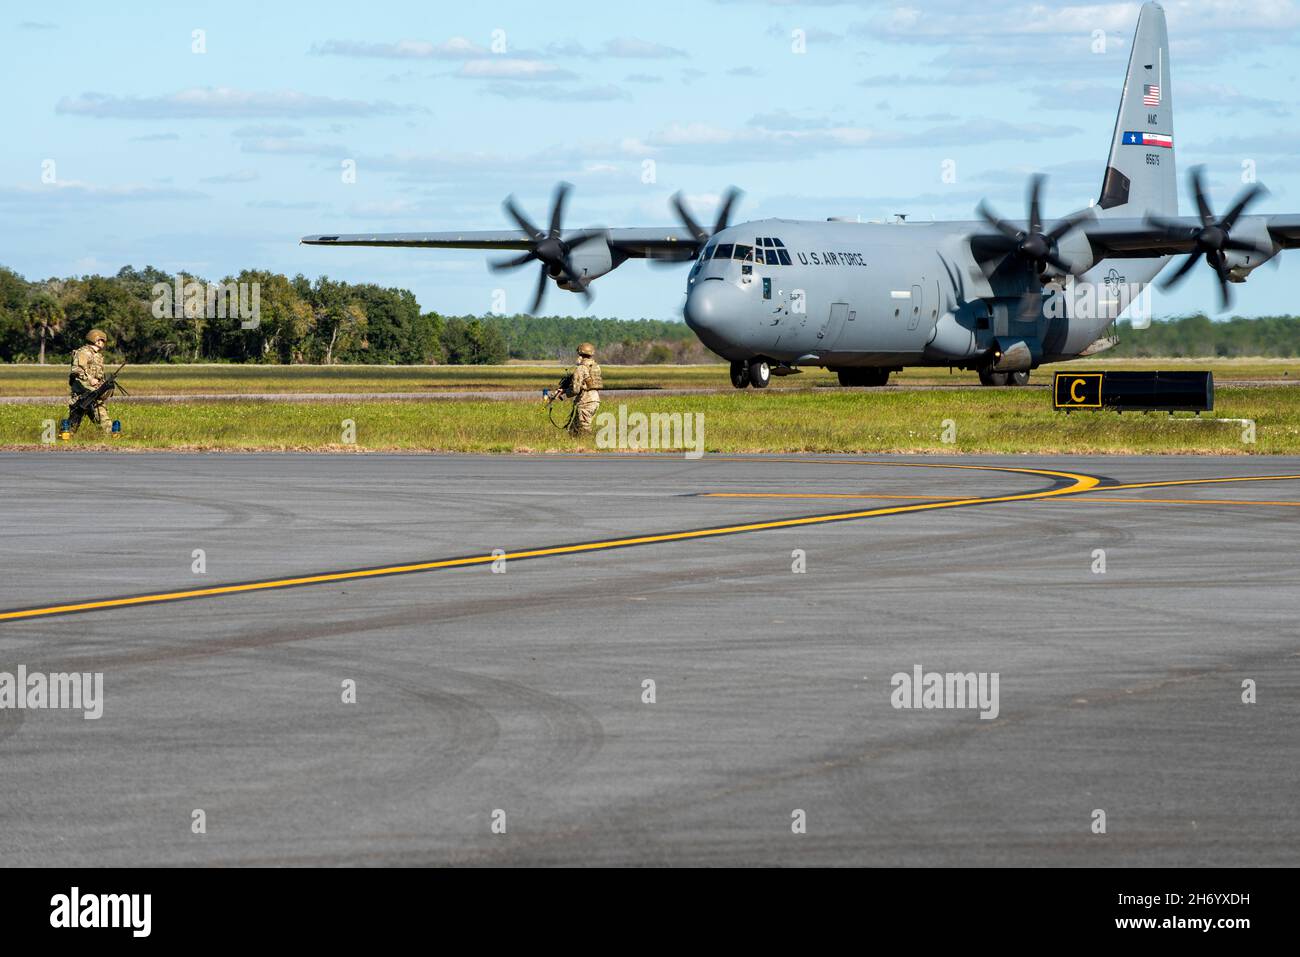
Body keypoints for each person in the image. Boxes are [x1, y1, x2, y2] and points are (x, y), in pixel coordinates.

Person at [67, 328, 114, 437]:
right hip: (82, 395)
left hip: (94, 395)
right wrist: (90, 379)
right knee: (73, 422)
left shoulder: (98, 356)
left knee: (105, 422)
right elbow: (76, 370)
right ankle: (64, 439)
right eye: (101, 341)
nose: (103, 343)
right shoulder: (83, 352)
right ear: (96, 340)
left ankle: (110, 439)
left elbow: (98, 375)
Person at [552, 342, 602, 436]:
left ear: (580, 354)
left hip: (585, 401)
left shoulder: (581, 368)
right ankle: (576, 447)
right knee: (574, 430)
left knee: (584, 428)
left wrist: (564, 391)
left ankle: (589, 446)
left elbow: (575, 390)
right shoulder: (595, 367)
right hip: (595, 400)